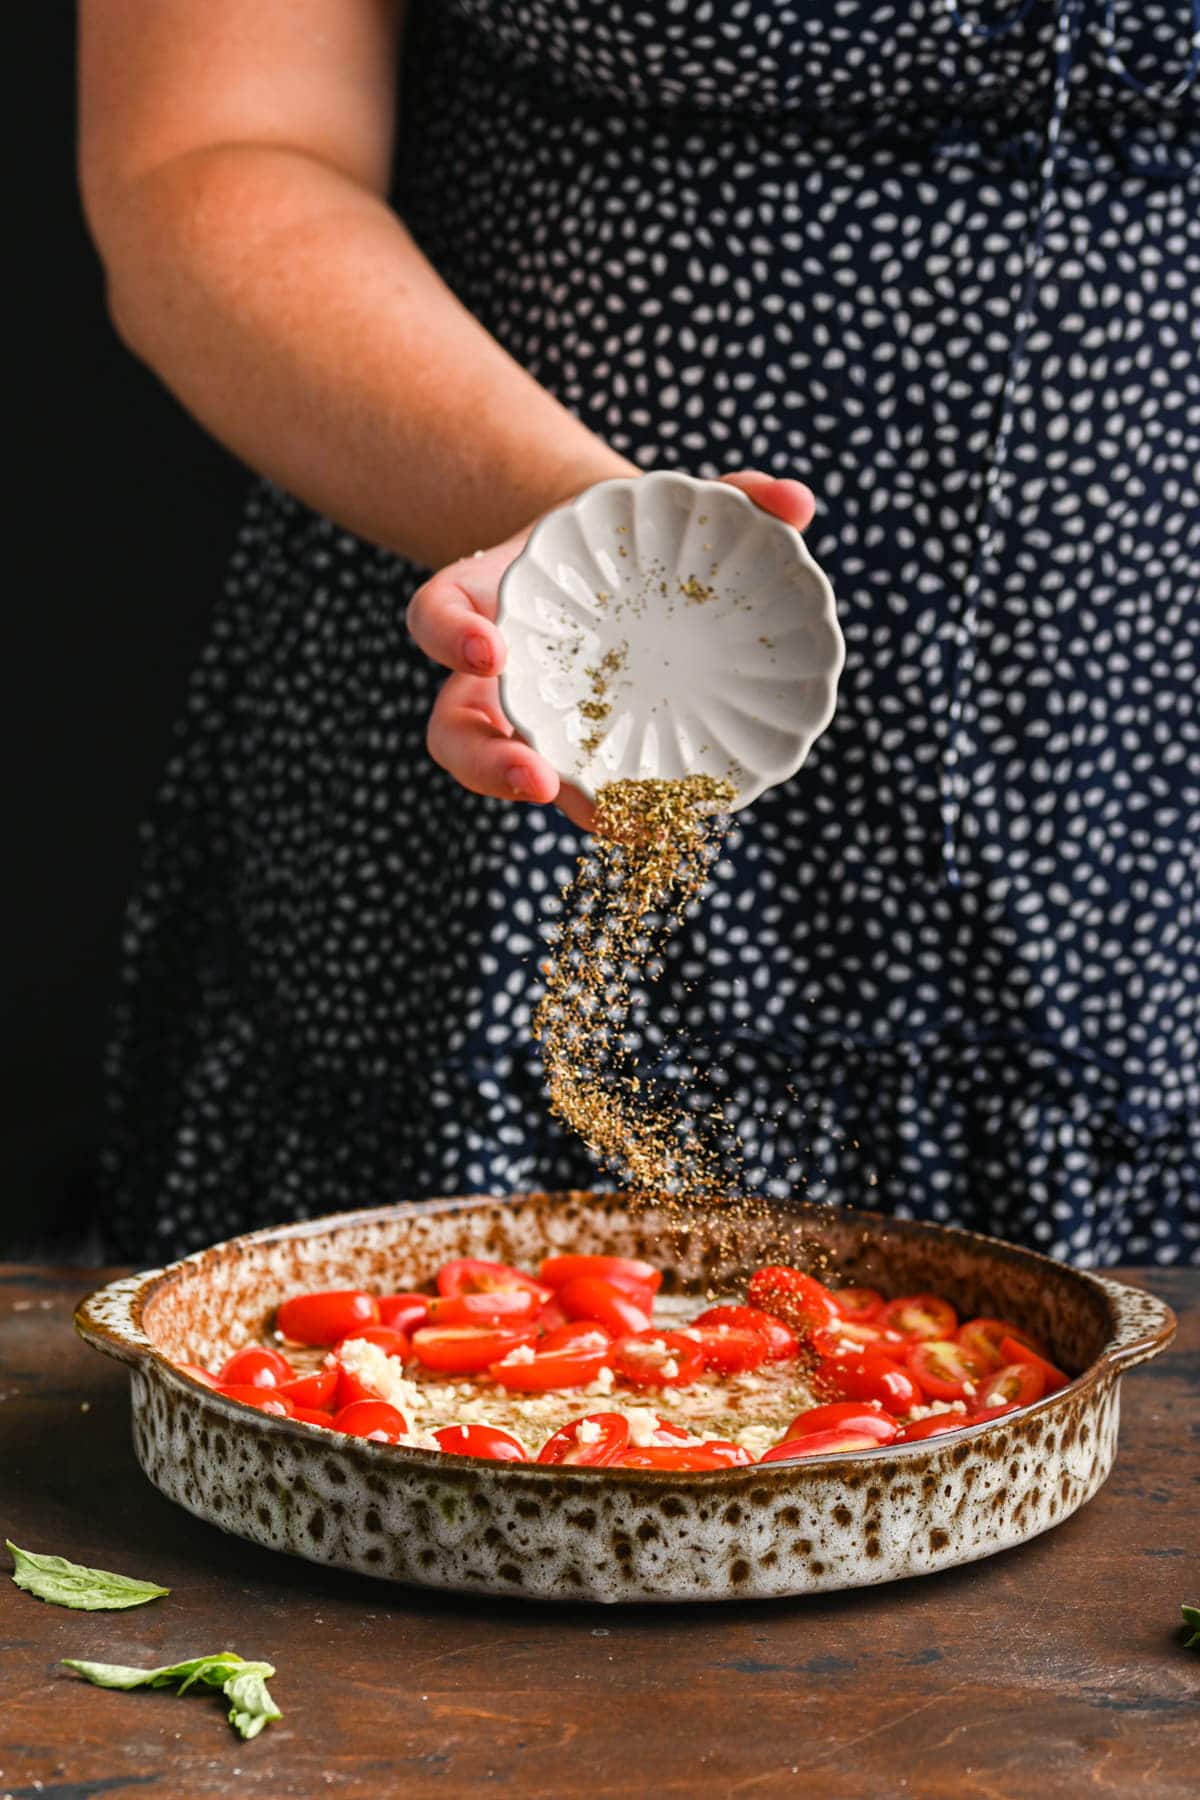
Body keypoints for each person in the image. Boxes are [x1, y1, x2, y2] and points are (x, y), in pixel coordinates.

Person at [80, 0, 1198, 1269]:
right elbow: (210, 152)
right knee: (466, 1370)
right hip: (533, 615)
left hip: (1135, 741)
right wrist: (577, 533)